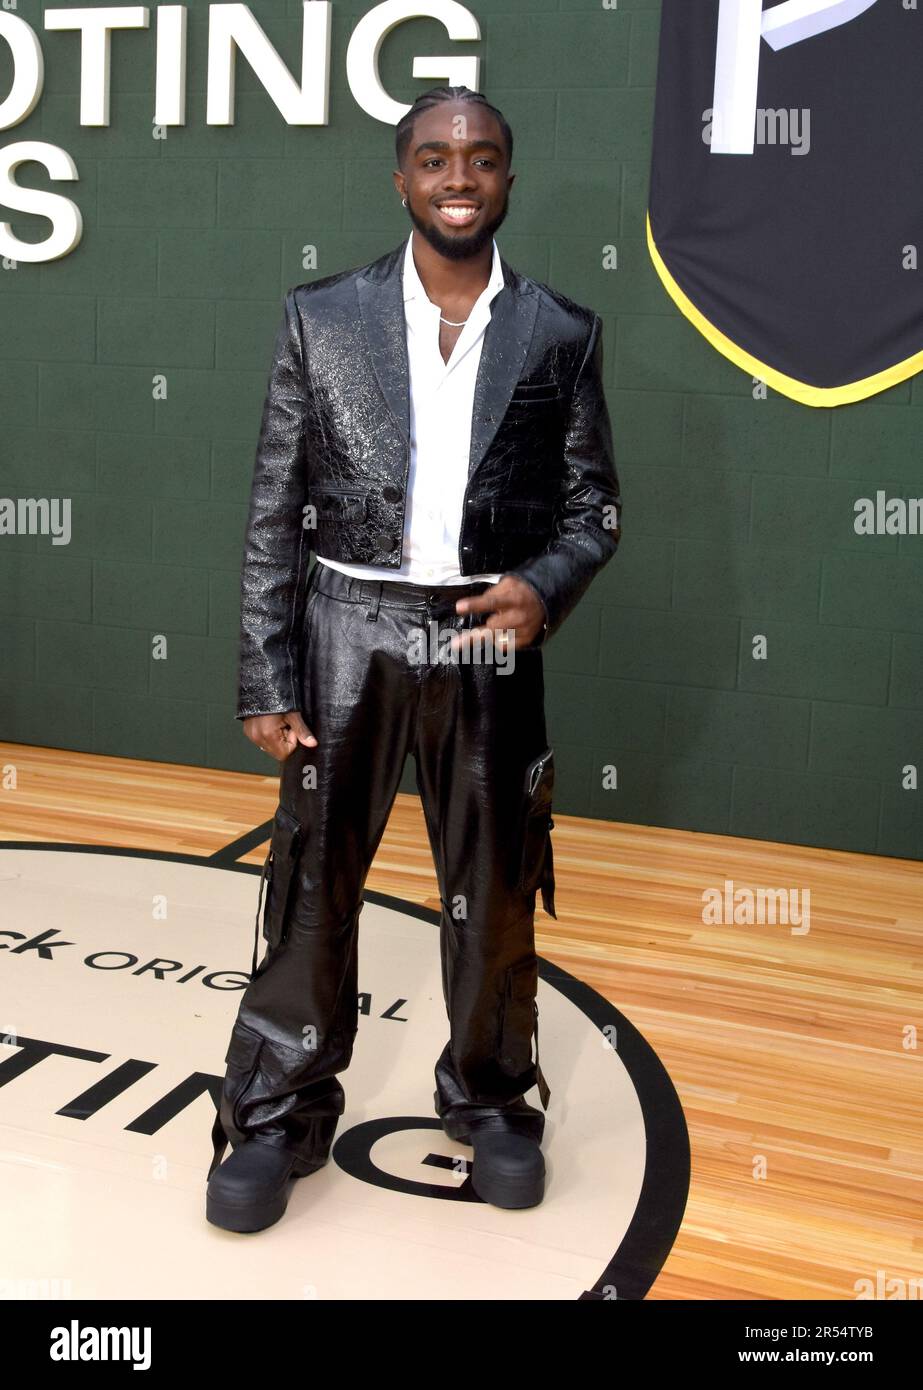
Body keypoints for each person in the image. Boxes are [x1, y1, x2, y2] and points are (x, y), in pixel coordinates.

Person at [205, 85, 621, 1233]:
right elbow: (270, 509)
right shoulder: (319, 316)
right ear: (400, 178)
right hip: (345, 622)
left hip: (484, 635)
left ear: (504, 180)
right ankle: (277, 1110)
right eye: (434, 157)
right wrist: (265, 671)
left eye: (480, 157)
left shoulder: (559, 330)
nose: (456, 176)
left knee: (491, 886)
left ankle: (489, 1097)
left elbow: (595, 511)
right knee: (308, 886)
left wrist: (541, 586)